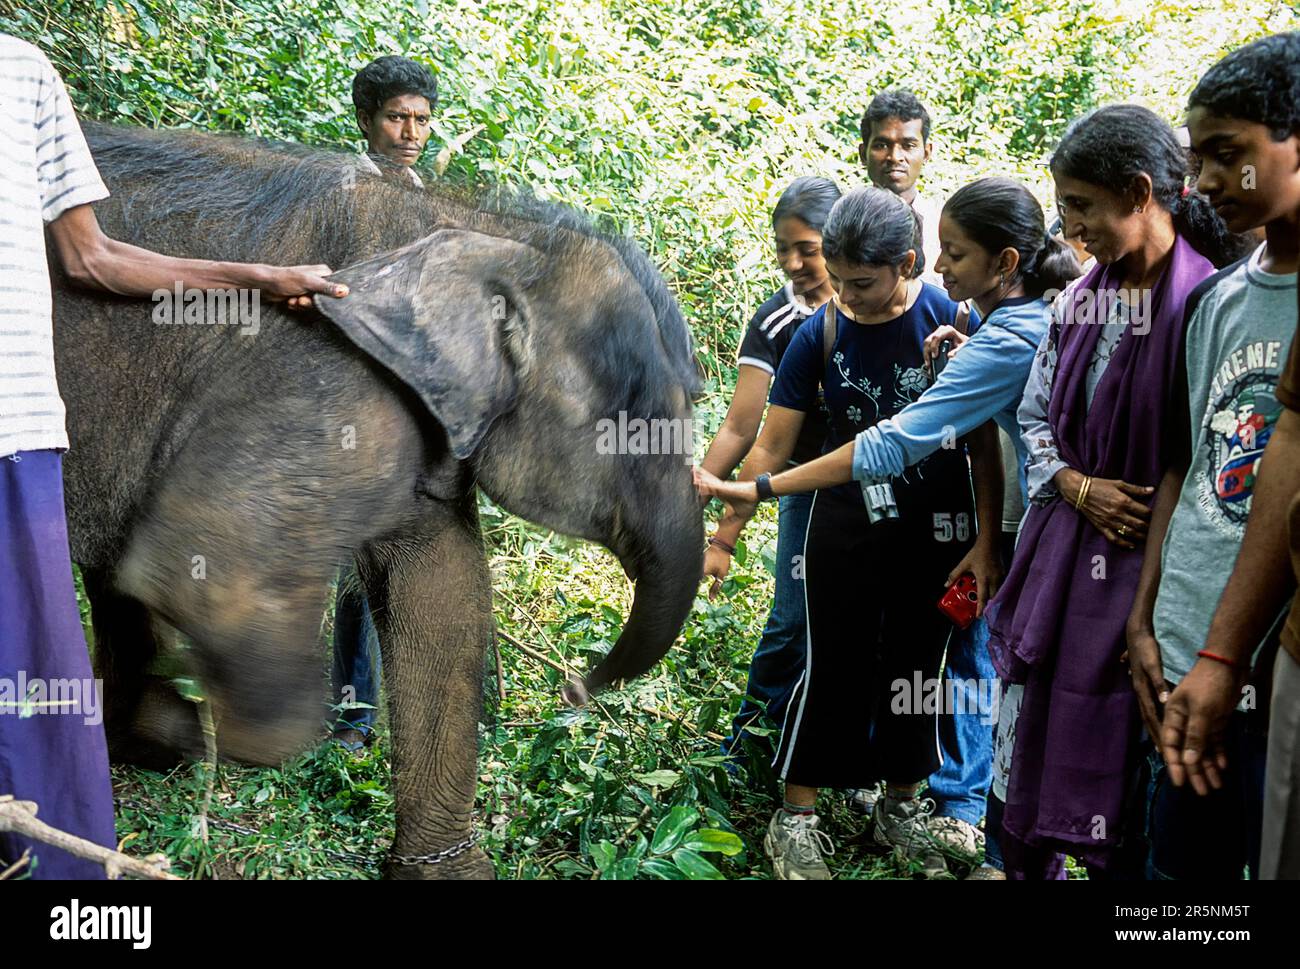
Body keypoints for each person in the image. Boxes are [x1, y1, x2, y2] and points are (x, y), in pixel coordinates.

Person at [0, 33, 342, 879]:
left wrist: (257, 278)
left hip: (13, 426)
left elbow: (95, 257)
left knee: (33, 685)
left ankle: (61, 883)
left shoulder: (23, 71)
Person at [698, 177, 1081, 874]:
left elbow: (982, 436)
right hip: (843, 521)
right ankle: (798, 815)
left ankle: (901, 805)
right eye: (838, 280)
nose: (846, 294)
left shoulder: (950, 315)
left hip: (938, 521)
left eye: (862, 282)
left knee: (917, 661)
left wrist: (984, 536)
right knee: (834, 660)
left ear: (907, 264)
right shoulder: (823, 331)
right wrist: (730, 516)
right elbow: (773, 443)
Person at [984, 103, 1241, 879]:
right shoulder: (1080, 300)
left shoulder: (1204, 305)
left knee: (1120, 784)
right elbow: (1036, 412)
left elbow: (1190, 461)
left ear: (1139, 192)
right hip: (1061, 556)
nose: (1070, 229)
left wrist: (1146, 613)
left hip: (1146, 581)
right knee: (1028, 748)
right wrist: (1072, 479)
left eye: (1080, 207)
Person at [1130, 32, 1300, 879]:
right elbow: (1185, 468)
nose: (1201, 184)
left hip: (1270, 664)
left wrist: (1228, 658)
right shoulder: (1217, 301)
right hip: (1184, 644)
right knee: (1180, 874)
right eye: (1196, 159)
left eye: (1227, 155)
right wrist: (1145, 611)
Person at [700, 177, 840, 766]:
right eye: (782, 248)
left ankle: (848, 761)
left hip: (882, 486)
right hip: (803, 486)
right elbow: (744, 430)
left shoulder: (890, 301)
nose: (793, 262)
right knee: (790, 621)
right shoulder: (779, 320)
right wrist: (705, 507)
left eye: (806, 248)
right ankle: (747, 750)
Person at [330, 54, 439, 751]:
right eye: (397, 117)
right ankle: (353, 717)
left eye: (421, 119)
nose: (409, 131)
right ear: (368, 119)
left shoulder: (420, 192)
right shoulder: (348, 192)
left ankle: (396, 712)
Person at [859, 89, 943, 286]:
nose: (895, 156)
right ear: (863, 154)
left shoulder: (945, 228)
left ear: (926, 153)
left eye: (908, 145)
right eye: (881, 145)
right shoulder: (842, 224)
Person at [352, 55, 437, 186]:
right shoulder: (344, 186)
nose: (412, 134)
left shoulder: (419, 189)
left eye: (421, 120)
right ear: (366, 121)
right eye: (396, 117)